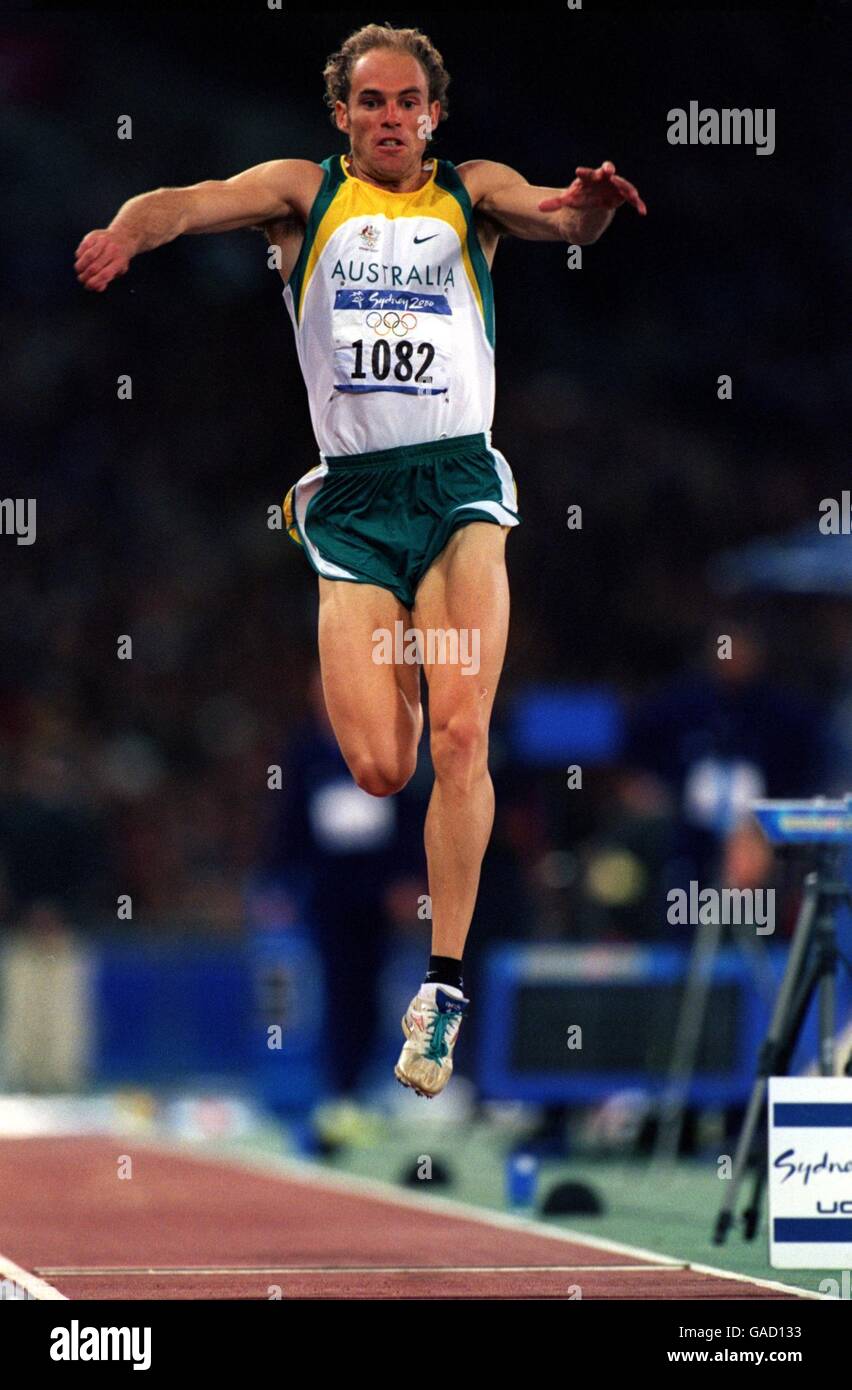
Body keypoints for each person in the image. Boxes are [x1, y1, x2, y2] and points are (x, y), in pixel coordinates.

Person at [74, 22, 646, 1097]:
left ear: (436, 112)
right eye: (372, 101)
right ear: (341, 112)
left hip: (461, 485)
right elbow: (185, 202)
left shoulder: (470, 192)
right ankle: (398, 650)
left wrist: (595, 207)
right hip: (353, 507)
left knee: (466, 725)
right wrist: (124, 231)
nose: (391, 117)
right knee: (385, 766)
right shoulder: (304, 193)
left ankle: (442, 989)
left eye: (409, 101)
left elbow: (560, 214)